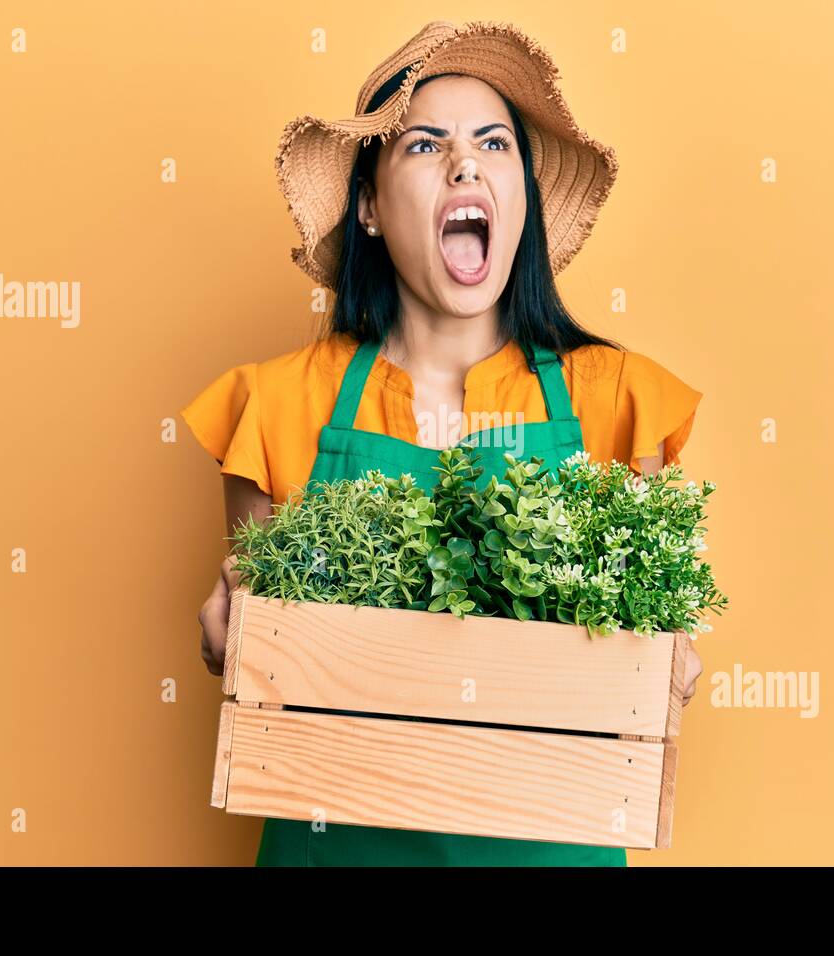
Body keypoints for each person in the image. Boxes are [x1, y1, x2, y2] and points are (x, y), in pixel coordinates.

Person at [183, 20, 706, 866]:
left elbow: (650, 639)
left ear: (521, 196)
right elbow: (256, 631)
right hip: (334, 846)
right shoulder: (278, 403)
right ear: (369, 208)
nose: (467, 163)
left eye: (493, 143)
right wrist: (231, 630)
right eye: (426, 145)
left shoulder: (617, 399)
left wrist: (668, 659)